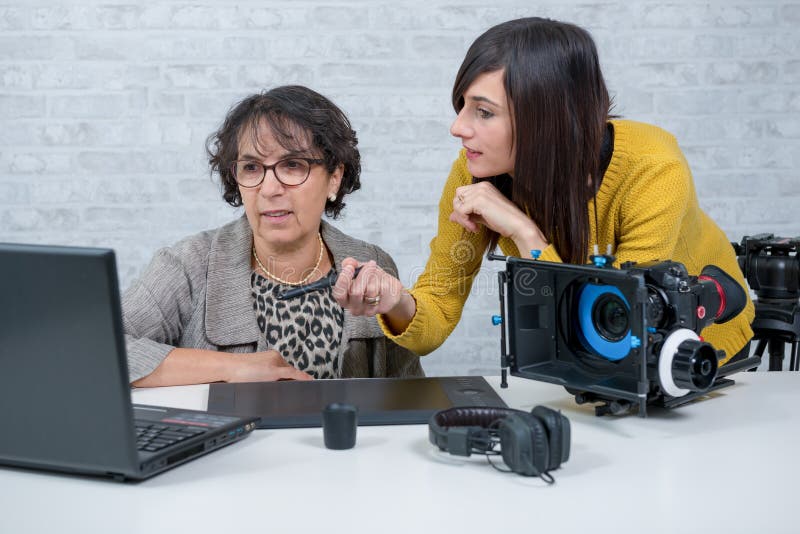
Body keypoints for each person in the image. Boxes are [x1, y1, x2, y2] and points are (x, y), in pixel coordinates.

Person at [333, 17, 754, 365]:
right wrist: (394, 301)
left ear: (546, 118)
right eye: (462, 105)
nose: (458, 127)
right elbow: (439, 306)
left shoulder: (652, 168)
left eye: (484, 112)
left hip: (698, 348)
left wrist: (523, 230)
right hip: (593, 360)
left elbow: (627, 330)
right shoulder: (474, 174)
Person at [124, 85, 423, 387]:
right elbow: (94, 349)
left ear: (335, 177)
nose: (269, 189)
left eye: (293, 165)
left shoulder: (373, 264)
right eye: (252, 168)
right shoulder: (187, 265)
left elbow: (407, 396)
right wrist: (232, 368)